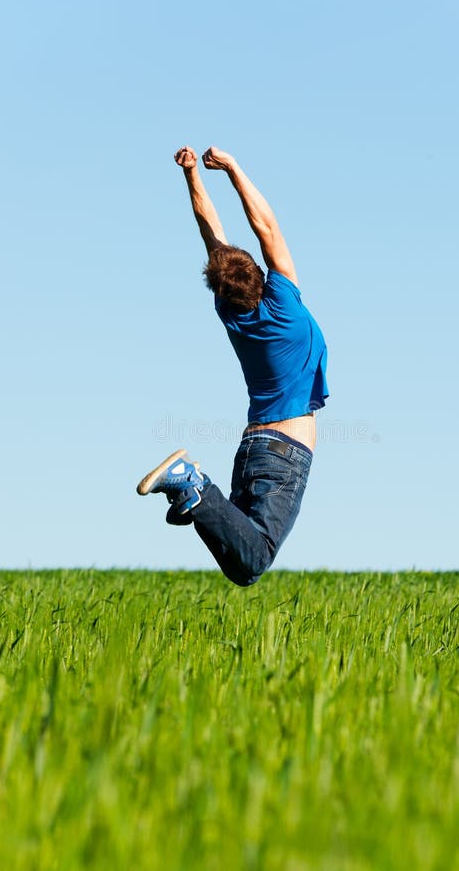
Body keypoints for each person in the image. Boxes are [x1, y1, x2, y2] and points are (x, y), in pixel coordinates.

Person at [136, 145, 329, 587]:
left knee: (241, 569)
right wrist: (233, 168)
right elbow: (265, 226)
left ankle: (199, 501)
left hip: (254, 450)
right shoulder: (284, 302)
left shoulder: (233, 314)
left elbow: (212, 235)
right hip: (283, 453)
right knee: (256, 558)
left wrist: (192, 177)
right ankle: (193, 488)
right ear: (261, 273)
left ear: (220, 287)